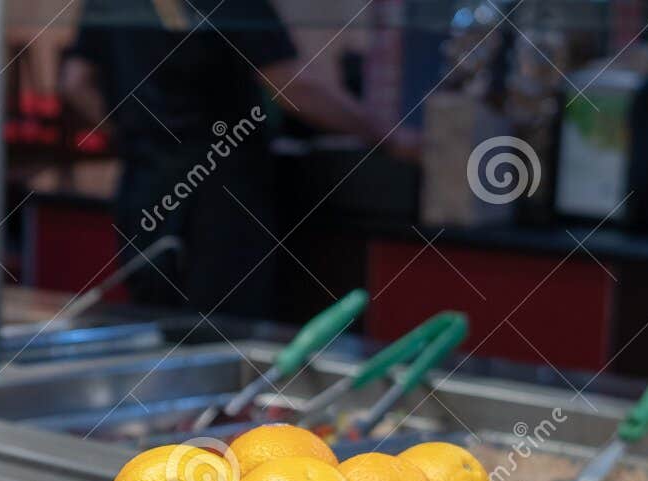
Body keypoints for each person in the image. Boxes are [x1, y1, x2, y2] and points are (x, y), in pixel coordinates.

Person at [60, 0, 417, 318]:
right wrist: (385, 134)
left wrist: (136, 133)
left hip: (144, 193)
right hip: (220, 204)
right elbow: (291, 85)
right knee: (224, 339)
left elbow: (75, 82)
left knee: (157, 335)